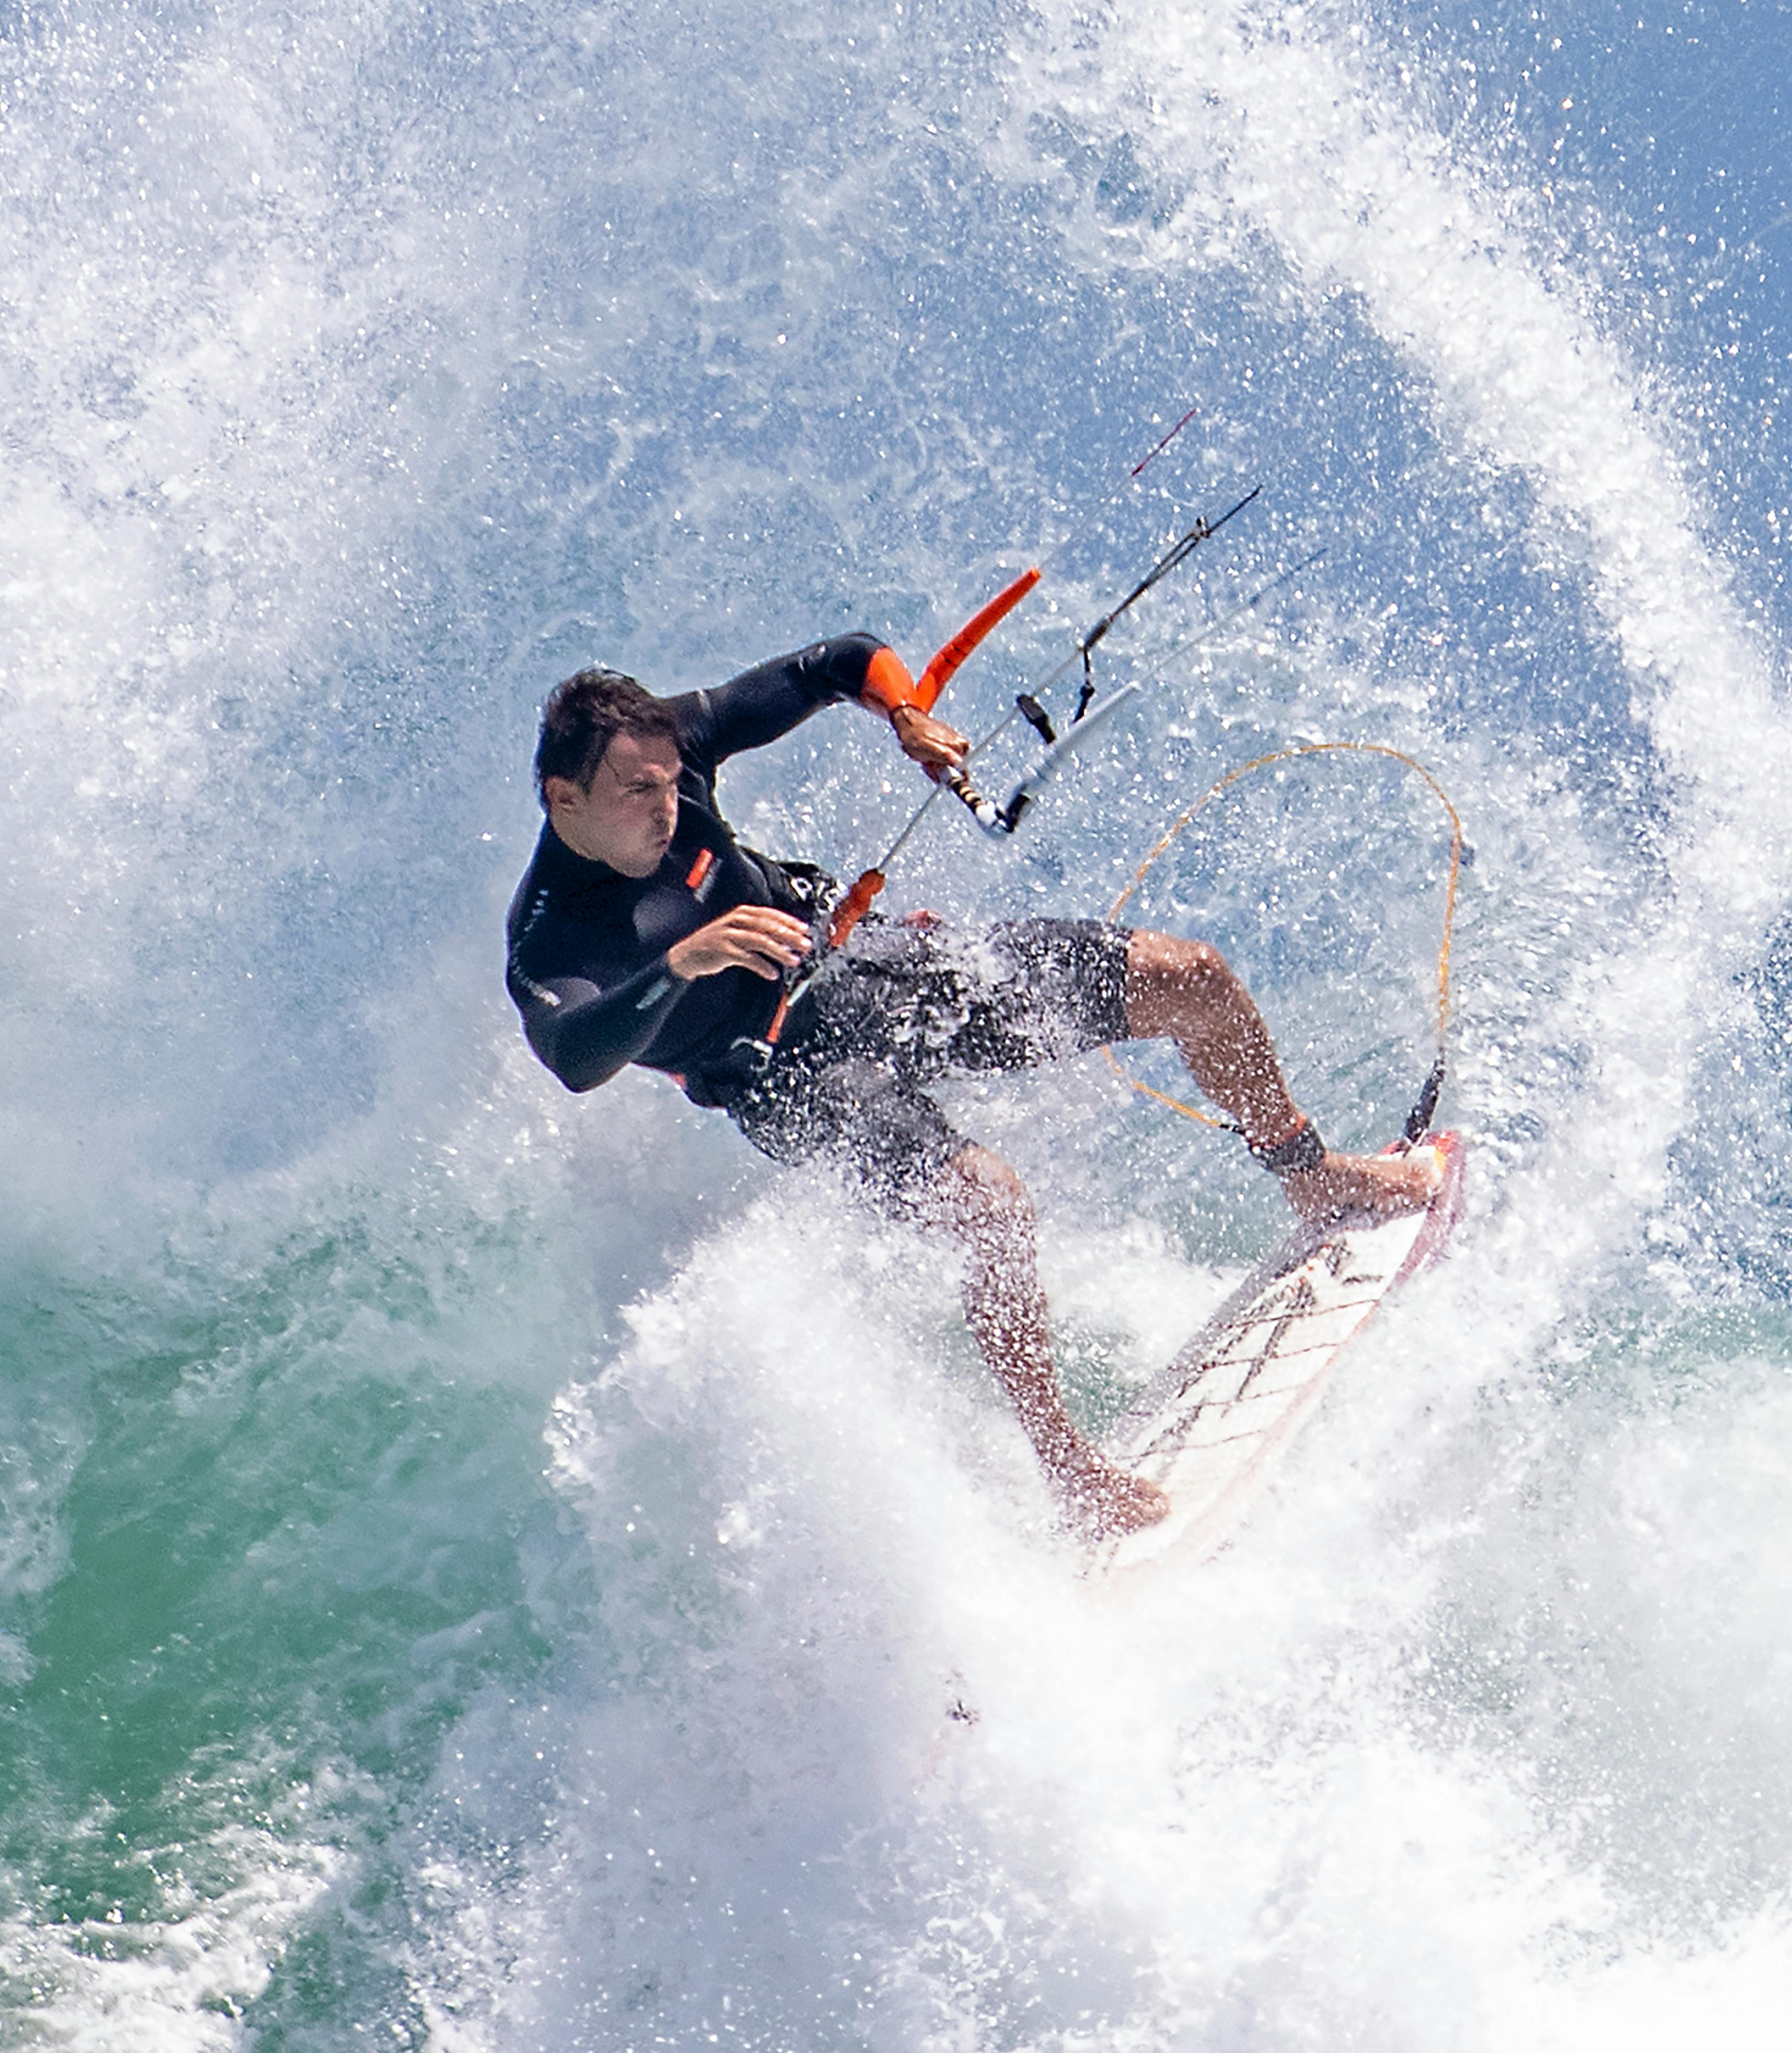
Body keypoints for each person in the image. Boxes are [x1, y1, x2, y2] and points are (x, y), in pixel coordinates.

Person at [503, 635, 1442, 1538]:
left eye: (674, 782)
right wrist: (684, 963)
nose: (667, 806)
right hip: (791, 1080)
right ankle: (1070, 1472)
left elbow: (838, 660)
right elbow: (574, 1057)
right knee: (988, 1203)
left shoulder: (669, 741)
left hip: (864, 971)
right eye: (637, 792)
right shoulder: (549, 936)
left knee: (1191, 977)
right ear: (563, 798)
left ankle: (1312, 1176)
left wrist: (903, 713)